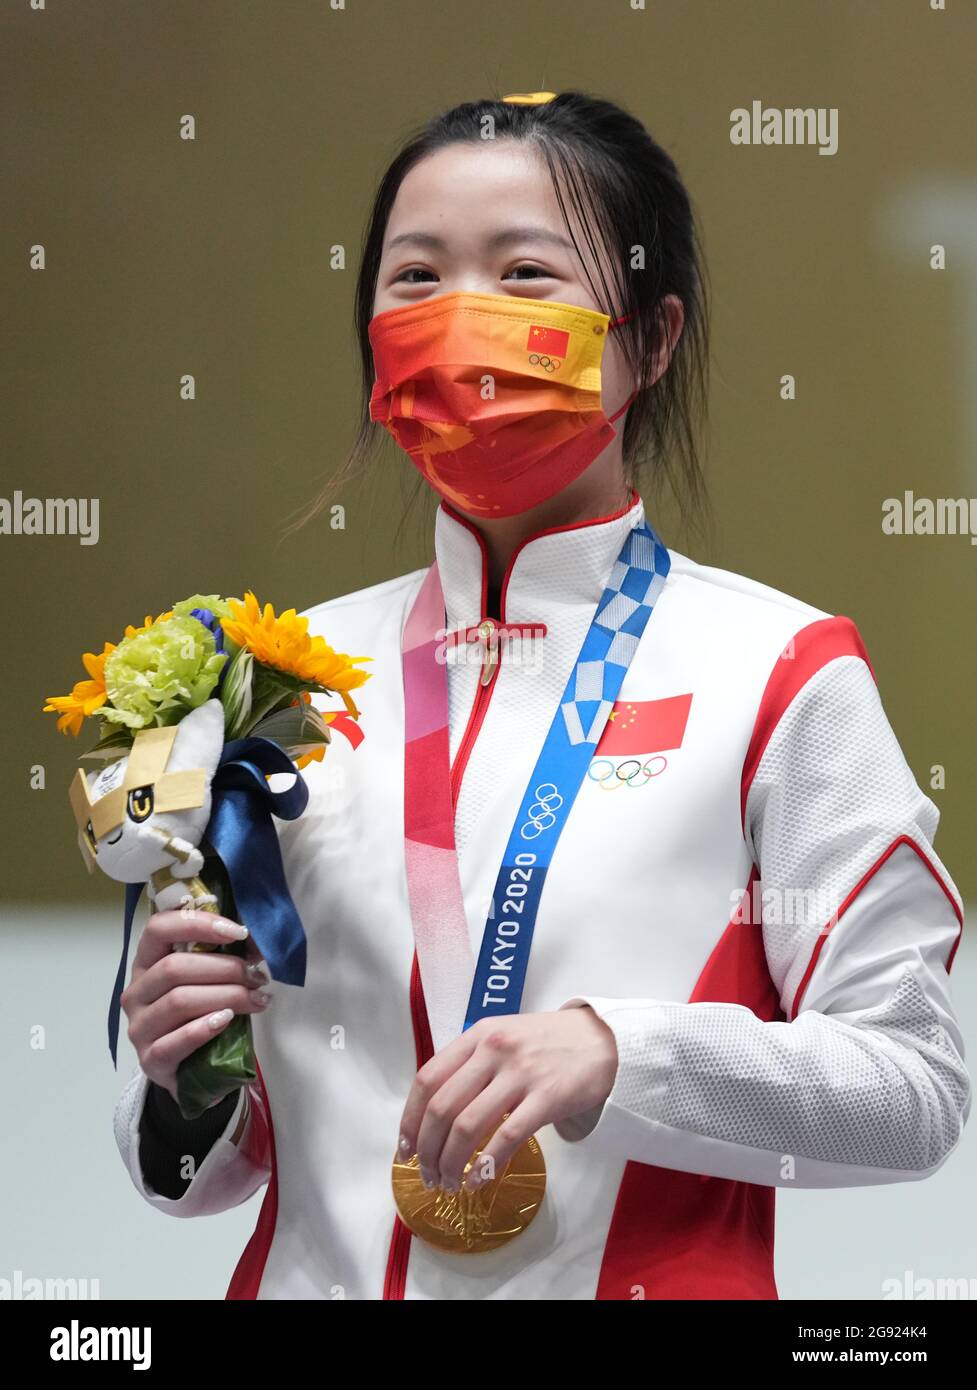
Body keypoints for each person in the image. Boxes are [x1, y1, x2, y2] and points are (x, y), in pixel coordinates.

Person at [113, 91, 969, 1301]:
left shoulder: (778, 670)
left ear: (653, 337)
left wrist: (620, 1052)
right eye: (415, 278)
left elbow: (911, 1093)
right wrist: (180, 1075)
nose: (461, 319)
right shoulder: (278, 682)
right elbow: (213, 1171)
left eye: (525, 274)